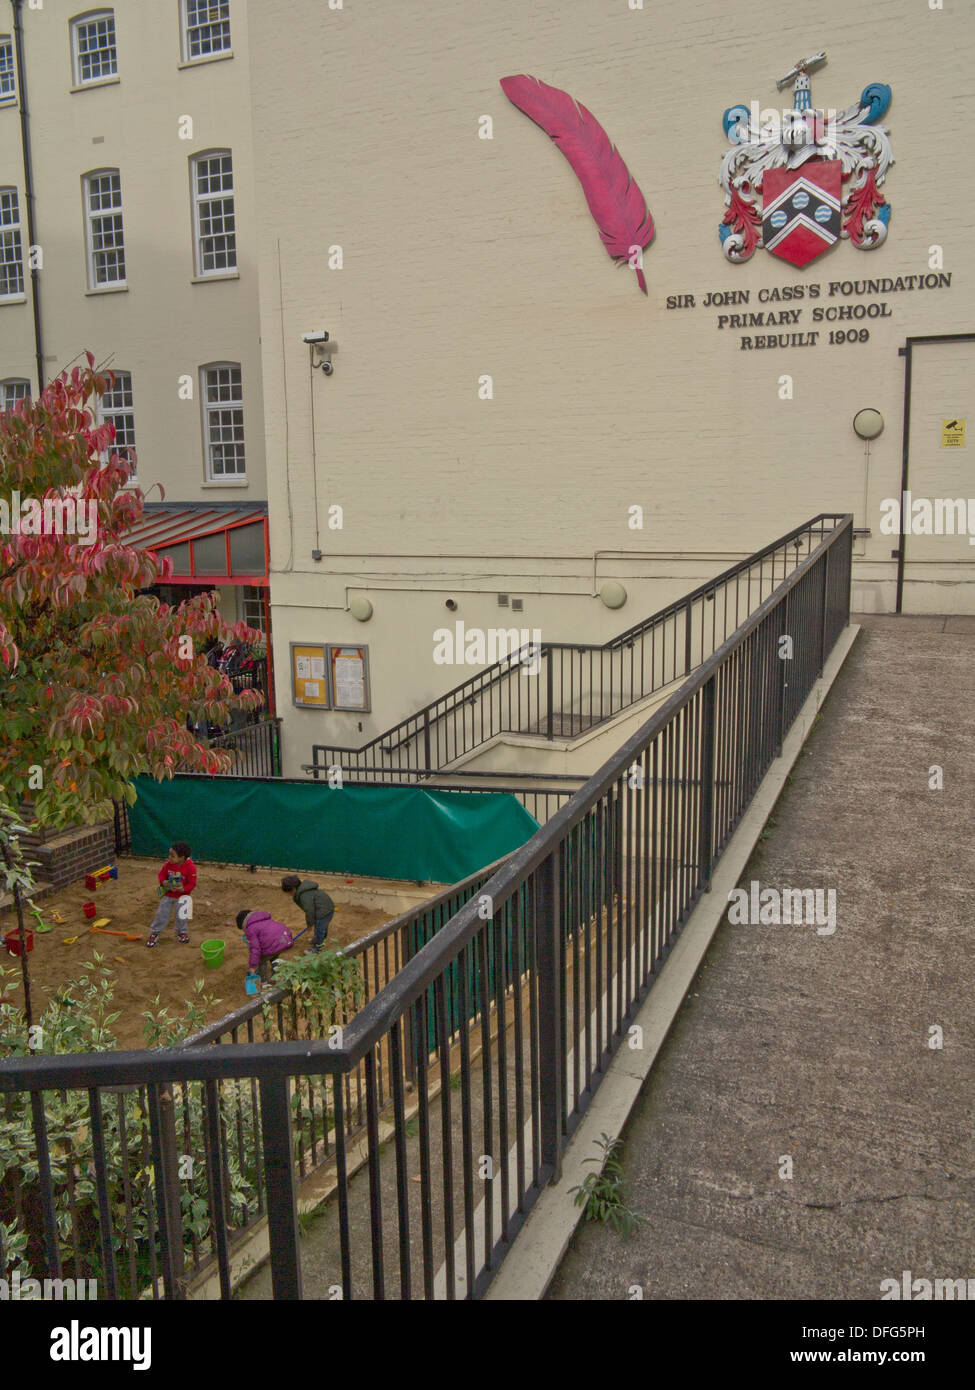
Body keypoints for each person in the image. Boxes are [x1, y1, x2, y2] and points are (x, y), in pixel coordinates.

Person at [146, 841, 197, 947]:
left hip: (183, 896)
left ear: (182, 857)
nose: (169, 857)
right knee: (162, 914)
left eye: (172, 856)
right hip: (168, 894)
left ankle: (181, 932)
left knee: (182, 915)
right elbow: (161, 875)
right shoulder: (168, 865)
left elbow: (192, 883)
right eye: (169, 855)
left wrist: (183, 889)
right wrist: (163, 882)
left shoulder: (190, 867)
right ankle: (155, 932)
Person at [236, 909, 294, 985]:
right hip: (282, 942)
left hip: (271, 945)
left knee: (262, 961)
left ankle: (264, 981)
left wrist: (253, 966)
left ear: (243, 924)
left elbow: (255, 949)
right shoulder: (265, 919)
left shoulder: (251, 929)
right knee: (274, 958)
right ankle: (275, 978)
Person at [281, 875, 334, 953]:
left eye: (289, 892)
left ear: (293, 889)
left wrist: (309, 924)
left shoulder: (304, 895)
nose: (289, 894)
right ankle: (318, 939)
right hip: (326, 909)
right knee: (322, 927)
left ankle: (316, 948)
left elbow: (309, 911)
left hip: (323, 912)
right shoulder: (304, 890)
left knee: (319, 929)